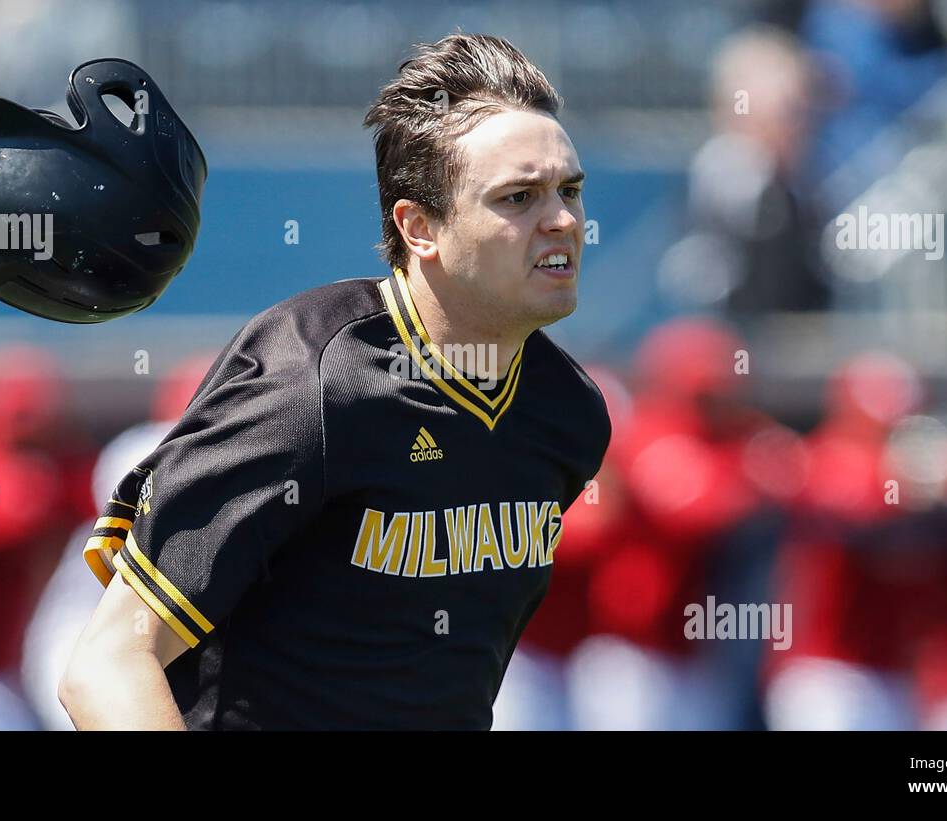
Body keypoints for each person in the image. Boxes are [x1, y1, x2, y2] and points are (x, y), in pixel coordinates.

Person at [59, 33, 611, 730]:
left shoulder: (568, 414)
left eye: (571, 190)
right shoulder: (309, 380)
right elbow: (107, 664)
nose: (562, 220)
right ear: (419, 227)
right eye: (519, 197)